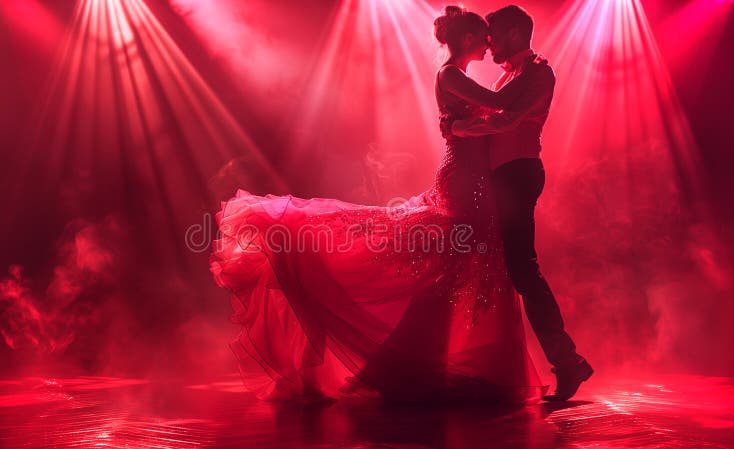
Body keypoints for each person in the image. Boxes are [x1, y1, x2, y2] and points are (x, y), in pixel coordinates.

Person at [209, 6, 543, 403]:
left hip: (474, 179)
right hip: (465, 181)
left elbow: (487, 112)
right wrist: (536, 79)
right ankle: (410, 363)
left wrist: (470, 122)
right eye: (484, 39)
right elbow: (498, 103)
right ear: (468, 40)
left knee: (451, 271)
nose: (490, 46)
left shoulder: (456, 75)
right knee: (450, 265)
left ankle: (415, 361)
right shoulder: (451, 74)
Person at [442, 5, 593, 401]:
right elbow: (495, 111)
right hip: (502, 177)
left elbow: (505, 119)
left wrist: (457, 126)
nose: (487, 41)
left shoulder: (539, 72)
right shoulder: (510, 75)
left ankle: (567, 361)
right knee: (508, 270)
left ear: (512, 32)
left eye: (492, 33)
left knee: (523, 271)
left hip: (519, 173)